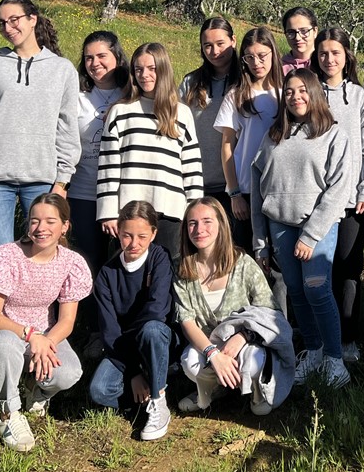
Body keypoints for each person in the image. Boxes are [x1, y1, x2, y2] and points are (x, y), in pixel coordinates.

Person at [252, 69, 352, 387]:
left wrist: (311, 235)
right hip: (279, 225)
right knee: (295, 291)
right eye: (289, 92)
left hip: (317, 226)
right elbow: (257, 189)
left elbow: (338, 189)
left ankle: (335, 360)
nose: (296, 97)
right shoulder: (273, 136)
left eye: (302, 90)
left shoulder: (334, 134)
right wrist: (260, 243)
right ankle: (313, 351)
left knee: (317, 288)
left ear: (314, 93)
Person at [0, 194, 92, 452]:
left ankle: (36, 392)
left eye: (50, 221)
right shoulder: (6, 257)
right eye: (35, 221)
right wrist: (30, 334)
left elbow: (67, 321)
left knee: (69, 371)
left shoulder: (71, 263)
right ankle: (8, 414)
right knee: (4, 343)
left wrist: (46, 341)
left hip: (43, 339)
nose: (41, 228)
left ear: (64, 226)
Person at [0, 0, 80, 247]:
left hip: (42, 179)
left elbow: (66, 129)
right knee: (1, 254)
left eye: (14, 20)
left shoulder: (62, 70)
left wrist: (62, 181)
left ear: (32, 19)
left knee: (41, 252)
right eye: (2, 23)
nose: (8, 28)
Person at [174, 198, 294, 415]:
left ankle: (258, 391)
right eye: (192, 223)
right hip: (208, 345)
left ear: (221, 224)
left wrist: (243, 336)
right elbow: (187, 320)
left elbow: (271, 312)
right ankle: (212, 391)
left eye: (207, 221)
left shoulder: (243, 263)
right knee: (189, 361)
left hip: (245, 343)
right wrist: (213, 354)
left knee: (254, 360)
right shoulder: (183, 269)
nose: (199, 229)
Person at [97, 43, 203, 260]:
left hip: (170, 209)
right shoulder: (121, 111)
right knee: (126, 273)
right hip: (128, 210)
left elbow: (191, 166)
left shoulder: (181, 113)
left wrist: (194, 211)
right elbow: (108, 166)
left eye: (151, 68)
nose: (144, 75)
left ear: (163, 69)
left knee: (167, 271)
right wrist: (107, 211)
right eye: (138, 69)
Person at [311, 27, 364, 363]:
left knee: (348, 267)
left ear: (346, 55)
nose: (329, 59)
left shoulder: (359, 95)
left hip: (352, 199)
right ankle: (322, 338)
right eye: (323, 53)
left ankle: (349, 338)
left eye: (335, 52)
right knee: (320, 271)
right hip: (317, 198)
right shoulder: (308, 92)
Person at [88, 201, 174, 441]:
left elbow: (157, 310)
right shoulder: (107, 273)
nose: (134, 244)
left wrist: (137, 364)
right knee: (99, 391)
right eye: (127, 235)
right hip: (123, 346)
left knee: (152, 329)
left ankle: (158, 401)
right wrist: (134, 372)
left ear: (154, 234)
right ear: (118, 232)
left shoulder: (160, 258)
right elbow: (110, 330)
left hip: (154, 338)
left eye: (142, 236)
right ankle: (151, 390)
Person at [214, 26, 283, 257]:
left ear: (273, 53)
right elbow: (226, 145)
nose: (256, 63)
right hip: (245, 190)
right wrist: (234, 194)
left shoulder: (287, 93)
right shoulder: (236, 95)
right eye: (249, 57)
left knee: (278, 263)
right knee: (244, 258)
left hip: (280, 189)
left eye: (262, 55)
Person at [68, 31, 129, 278]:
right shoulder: (76, 97)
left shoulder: (131, 94)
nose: (95, 64)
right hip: (83, 193)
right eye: (88, 58)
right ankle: (86, 316)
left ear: (116, 56)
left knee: (120, 264)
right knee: (87, 263)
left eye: (101, 56)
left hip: (122, 194)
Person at [180, 18, 240, 212]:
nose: (214, 52)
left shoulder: (247, 81)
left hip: (237, 187)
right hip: (196, 183)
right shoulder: (191, 83)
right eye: (208, 46)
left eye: (220, 44)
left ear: (233, 41)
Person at [280, 6, 318, 75]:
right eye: (291, 32)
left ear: (315, 31)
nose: (297, 38)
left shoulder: (326, 63)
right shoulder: (279, 68)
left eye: (304, 31)